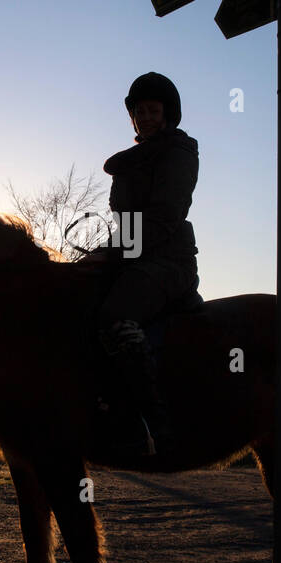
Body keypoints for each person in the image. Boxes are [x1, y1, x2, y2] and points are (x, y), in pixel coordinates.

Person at [85, 72, 199, 455]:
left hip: (170, 261)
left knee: (115, 314)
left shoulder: (179, 153)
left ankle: (152, 425)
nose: (145, 117)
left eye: (153, 110)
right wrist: (104, 252)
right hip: (134, 255)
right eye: (139, 111)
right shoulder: (130, 161)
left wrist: (114, 251)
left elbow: (165, 216)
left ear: (168, 114)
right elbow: (129, 223)